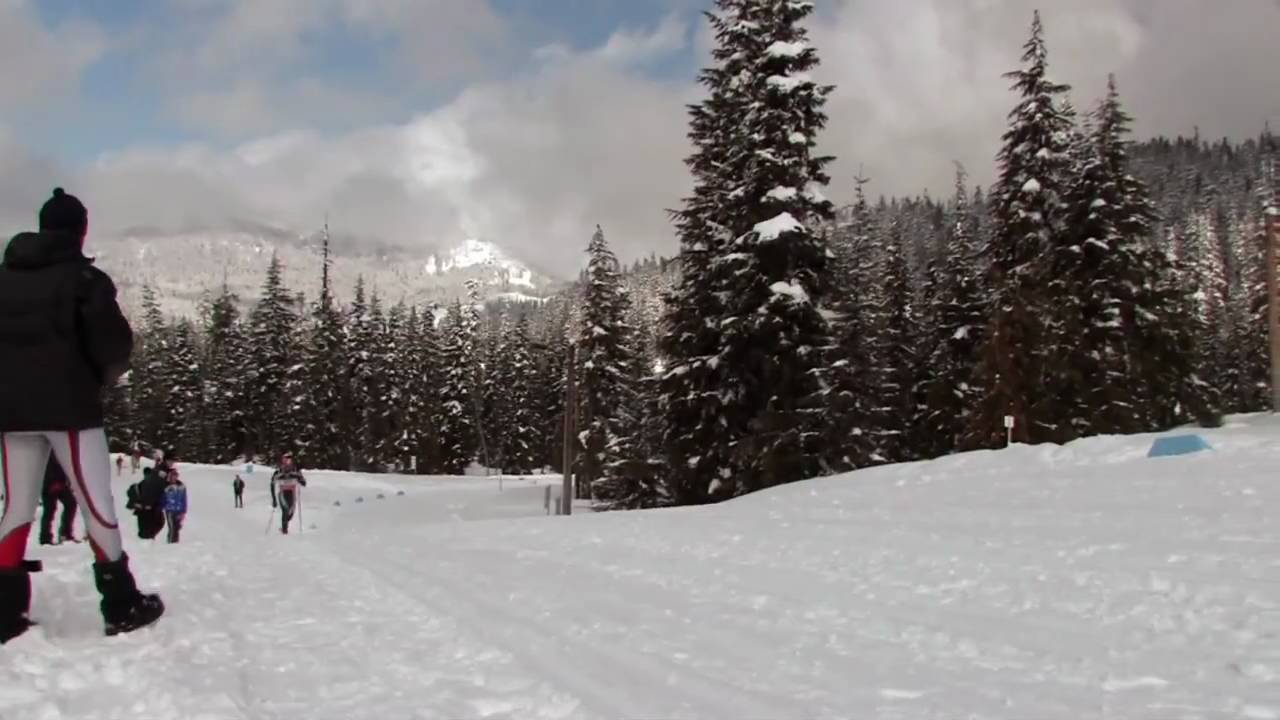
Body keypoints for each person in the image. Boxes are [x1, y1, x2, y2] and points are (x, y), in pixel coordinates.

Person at [0, 188, 163, 642]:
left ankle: (3, 611)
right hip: (70, 409)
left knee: (15, 507)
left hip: (10, 413)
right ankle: (120, 603)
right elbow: (115, 347)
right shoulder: (84, 282)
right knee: (96, 505)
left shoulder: (4, 277)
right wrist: (98, 378)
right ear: (79, 230)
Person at [38, 459, 78, 545]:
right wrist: (50, 482)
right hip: (49, 483)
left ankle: (65, 534)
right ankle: (45, 538)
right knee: (49, 510)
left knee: (71, 504)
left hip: (61, 482)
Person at [269, 453, 307, 534]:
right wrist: (274, 499)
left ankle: (284, 526)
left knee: (290, 514)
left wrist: (300, 479)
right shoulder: (278, 471)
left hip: (292, 494)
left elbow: (304, 483)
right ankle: (284, 531)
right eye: (285, 460)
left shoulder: (295, 471)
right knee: (285, 510)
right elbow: (272, 483)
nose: (286, 462)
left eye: (288, 460)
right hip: (282, 493)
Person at [127, 466, 167, 540]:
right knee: (144, 531)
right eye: (146, 475)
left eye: (149, 475)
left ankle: (150, 538)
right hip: (143, 513)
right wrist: (137, 505)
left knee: (156, 525)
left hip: (153, 512)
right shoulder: (138, 487)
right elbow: (131, 499)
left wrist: (157, 507)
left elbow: (161, 498)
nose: (148, 477)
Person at [162, 470, 187, 544]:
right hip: (169, 510)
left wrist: (183, 511)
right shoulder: (166, 486)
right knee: (172, 527)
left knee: (177, 527)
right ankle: (170, 542)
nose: (174, 478)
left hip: (179, 510)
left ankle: (175, 543)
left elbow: (184, 499)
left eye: (175, 476)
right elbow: (162, 497)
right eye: (172, 476)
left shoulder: (181, 486)